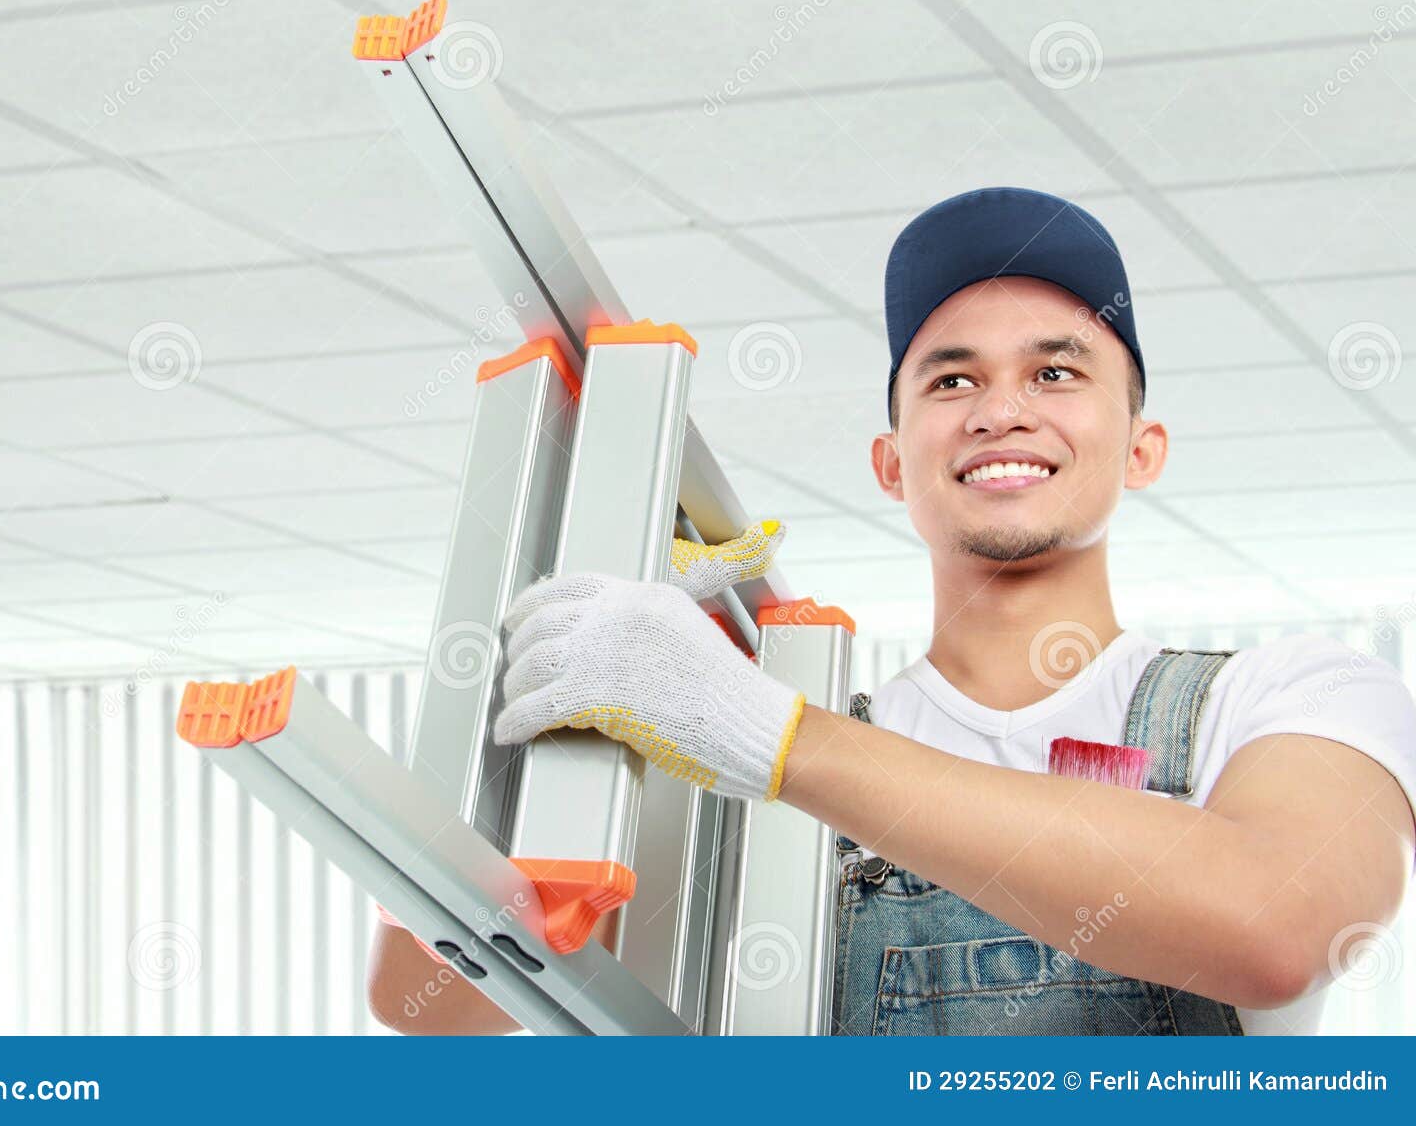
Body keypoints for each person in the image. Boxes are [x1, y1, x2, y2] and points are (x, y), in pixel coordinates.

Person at [367, 186, 1416, 1035]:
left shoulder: (1294, 696)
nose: (1001, 410)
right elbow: (431, 1008)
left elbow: (1277, 927)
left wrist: (769, 734)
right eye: (951, 381)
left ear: (1142, 447)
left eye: (1055, 371)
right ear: (890, 462)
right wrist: (556, 715)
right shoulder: (737, 750)